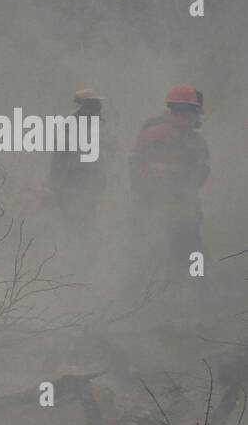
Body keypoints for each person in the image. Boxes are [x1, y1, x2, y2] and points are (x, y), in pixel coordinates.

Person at [129, 84, 210, 284]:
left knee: (147, 255)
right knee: (195, 256)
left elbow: (134, 168)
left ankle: (144, 293)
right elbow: (202, 174)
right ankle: (200, 293)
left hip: (148, 208)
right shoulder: (195, 140)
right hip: (182, 211)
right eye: (195, 112)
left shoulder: (148, 132)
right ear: (190, 112)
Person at [45, 88, 113, 263]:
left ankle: (80, 268)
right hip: (73, 193)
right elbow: (65, 164)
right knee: (78, 236)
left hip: (83, 194)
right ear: (84, 109)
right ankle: (75, 269)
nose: (97, 112)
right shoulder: (72, 129)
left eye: (98, 107)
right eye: (94, 107)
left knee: (84, 237)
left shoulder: (89, 129)